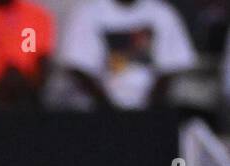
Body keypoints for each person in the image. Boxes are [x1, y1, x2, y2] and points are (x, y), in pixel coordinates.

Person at [60, 0, 197, 109]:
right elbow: (78, 67)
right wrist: (109, 109)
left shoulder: (161, 12)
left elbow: (171, 67)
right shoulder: (88, 12)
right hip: (98, 110)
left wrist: (149, 107)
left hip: (151, 107)